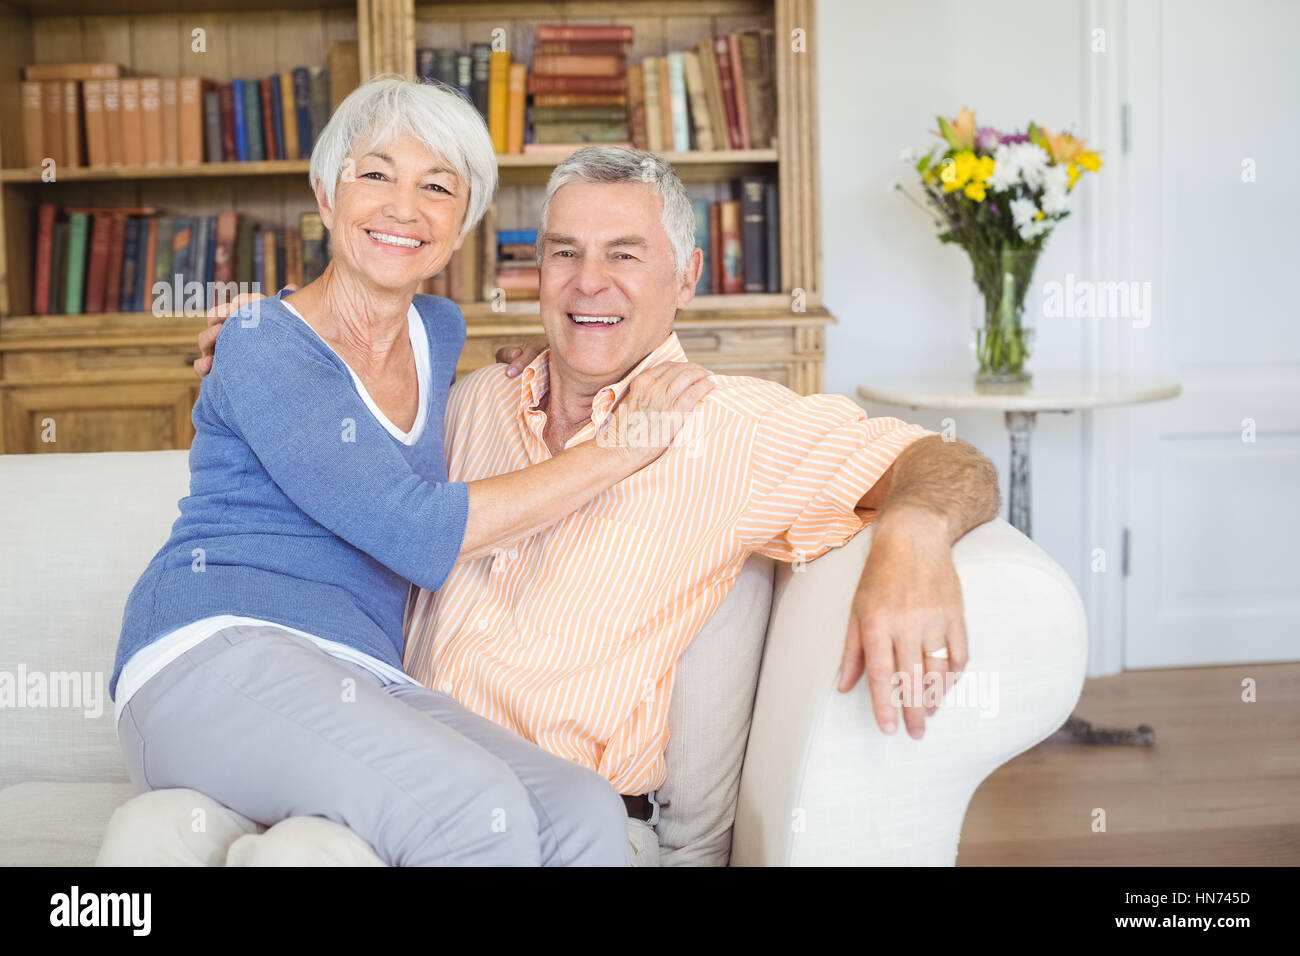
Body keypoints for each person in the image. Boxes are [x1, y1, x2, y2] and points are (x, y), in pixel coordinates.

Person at [114, 146, 1000, 867]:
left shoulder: (733, 427)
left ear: (685, 276)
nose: (589, 283)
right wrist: (271, 334)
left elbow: (945, 460)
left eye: (625, 254)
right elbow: (347, 394)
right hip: (379, 768)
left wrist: (914, 535)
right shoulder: (467, 405)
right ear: (534, 271)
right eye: (564, 253)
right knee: (257, 851)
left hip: (556, 820)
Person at [108, 81, 714, 868]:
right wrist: (618, 447)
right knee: (475, 809)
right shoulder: (258, 339)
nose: (404, 206)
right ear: (326, 195)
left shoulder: (439, 330)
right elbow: (414, 527)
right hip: (209, 657)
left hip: (361, 674)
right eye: (376, 175)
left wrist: (548, 362)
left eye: (437, 186)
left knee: (581, 810)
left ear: (461, 224)